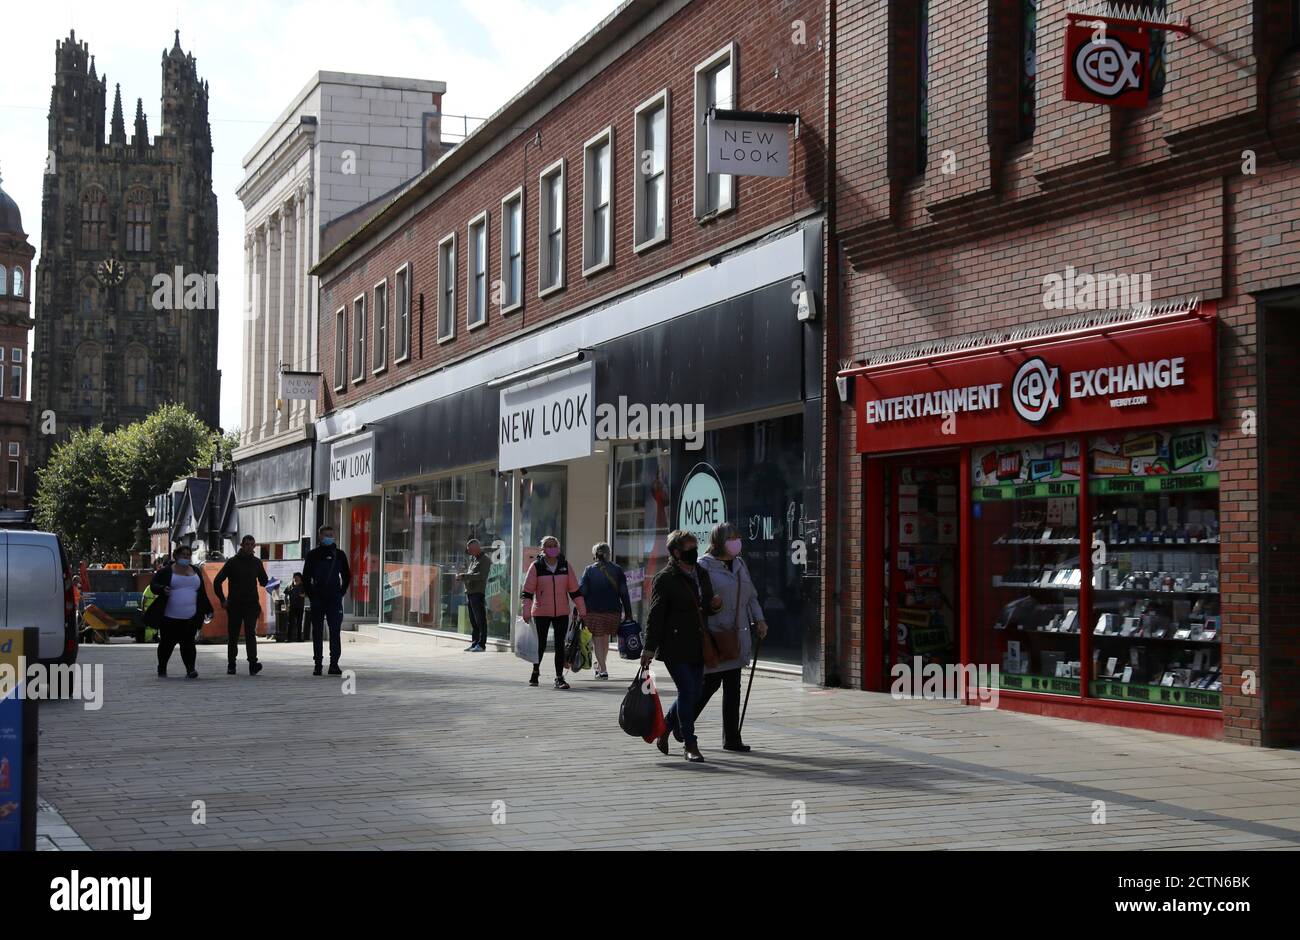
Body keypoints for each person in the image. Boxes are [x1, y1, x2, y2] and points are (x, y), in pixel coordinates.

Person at [641, 530, 721, 762]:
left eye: (696, 547)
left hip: (698, 643)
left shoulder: (701, 574)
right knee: (687, 691)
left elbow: (705, 605)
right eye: (689, 549)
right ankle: (690, 743)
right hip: (674, 645)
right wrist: (648, 647)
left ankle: (665, 728)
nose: (694, 553)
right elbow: (655, 615)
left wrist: (715, 605)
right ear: (676, 553)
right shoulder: (665, 578)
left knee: (694, 692)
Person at [696, 523, 769, 752]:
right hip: (716, 635)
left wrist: (760, 620)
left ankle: (732, 737)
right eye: (731, 537)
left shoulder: (740, 564)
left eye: (738, 536)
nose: (736, 541)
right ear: (718, 541)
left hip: (736, 635)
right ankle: (680, 723)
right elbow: (699, 600)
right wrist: (712, 604)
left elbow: (751, 596)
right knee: (709, 684)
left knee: (733, 686)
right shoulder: (703, 566)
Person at [521, 535, 587, 689]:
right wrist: (526, 611)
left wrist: (582, 610)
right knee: (541, 644)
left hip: (562, 612)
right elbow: (527, 592)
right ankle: (535, 671)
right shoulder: (536, 566)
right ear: (542, 549)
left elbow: (575, 591)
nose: (552, 548)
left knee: (559, 645)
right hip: (541, 612)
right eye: (548, 546)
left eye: (554, 545)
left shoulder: (565, 566)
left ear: (558, 548)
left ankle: (559, 677)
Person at [148, 544, 212, 679]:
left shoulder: (195, 570)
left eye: (188, 555)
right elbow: (153, 585)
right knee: (167, 644)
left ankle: (190, 669)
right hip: (170, 616)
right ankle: (162, 667)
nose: (186, 557)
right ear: (176, 556)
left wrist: (208, 609)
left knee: (188, 643)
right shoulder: (166, 571)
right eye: (183, 555)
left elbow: (202, 592)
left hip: (191, 616)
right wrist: (162, 589)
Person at [213, 535, 270, 676]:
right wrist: (222, 599)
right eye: (247, 544)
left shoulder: (257, 562)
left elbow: (263, 581)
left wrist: (273, 583)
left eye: (252, 544)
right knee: (233, 635)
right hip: (235, 604)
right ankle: (231, 664)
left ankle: (253, 664)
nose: (250, 547)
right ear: (242, 545)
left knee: (251, 633)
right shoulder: (232, 562)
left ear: (254, 546)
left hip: (251, 604)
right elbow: (217, 581)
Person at [302, 524, 351, 676]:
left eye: (331, 534)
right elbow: (306, 577)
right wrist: (311, 595)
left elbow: (347, 575)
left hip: (334, 599)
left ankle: (334, 664)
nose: (329, 537)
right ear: (320, 537)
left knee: (335, 631)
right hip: (318, 598)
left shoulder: (340, 554)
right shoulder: (313, 555)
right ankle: (318, 664)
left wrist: (341, 592)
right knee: (317, 631)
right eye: (326, 535)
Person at [579, 542, 632, 679]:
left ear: (595, 555)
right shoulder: (617, 570)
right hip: (613, 611)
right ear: (608, 554)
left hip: (593, 610)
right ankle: (601, 665)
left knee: (597, 638)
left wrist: (578, 609)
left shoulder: (589, 570)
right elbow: (624, 593)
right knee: (605, 638)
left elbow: (582, 592)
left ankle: (602, 669)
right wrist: (628, 612)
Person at [456, 539, 491, 652]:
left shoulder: (484, 560)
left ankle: (481, 644)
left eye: (470, 549)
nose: (468, 550)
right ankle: (475, 642)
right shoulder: (473, 559)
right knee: (473, 620)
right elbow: (471, 574)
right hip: (470, 592)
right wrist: (463, 577)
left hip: (478, 593)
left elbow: (481, 576)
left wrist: (465, 576)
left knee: (480, 619)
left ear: (476, 548)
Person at [285, 572, 307, 642]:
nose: (296, 578)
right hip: (292, 606)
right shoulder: (290, 585)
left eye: (297, 577)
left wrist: (304, 595)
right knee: (290, 623)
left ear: (300, 578)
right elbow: (285, 595)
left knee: (299, 623)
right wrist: (286, 605)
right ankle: (289, 638)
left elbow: (308, 594)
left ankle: (299, 638)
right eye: (295, 577)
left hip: (300, 607)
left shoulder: (303, 585)